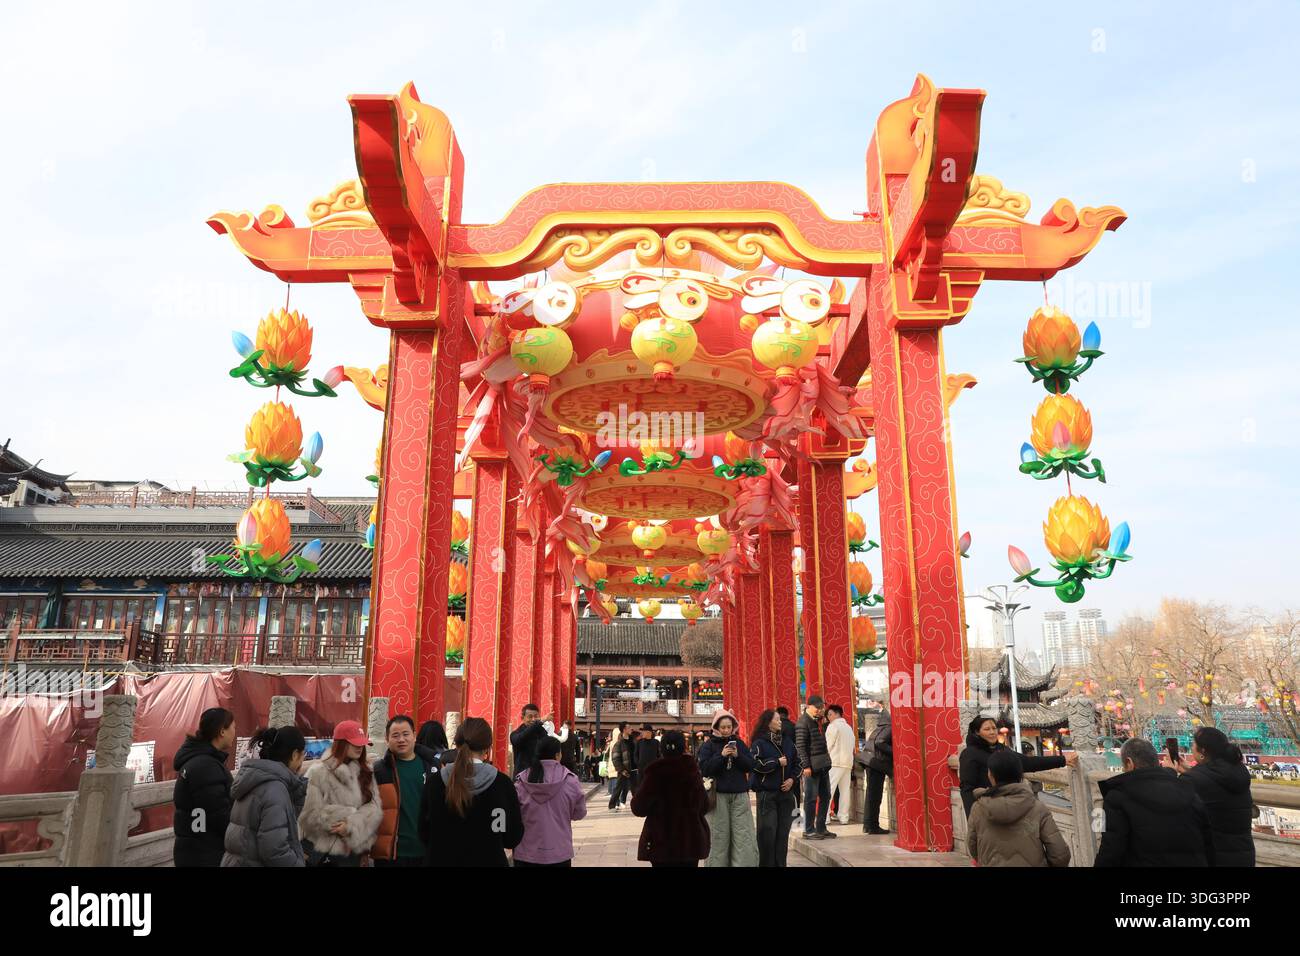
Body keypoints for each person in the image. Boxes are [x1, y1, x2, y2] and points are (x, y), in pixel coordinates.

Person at [420, 716, 524, 867]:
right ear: (487, 748)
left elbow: (424, 833)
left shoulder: (434, 783)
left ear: (456, 744)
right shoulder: (502, 784)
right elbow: (512, 838)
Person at [1095, 737, 1215, 867]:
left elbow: (1111, 850)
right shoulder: (1187, 789)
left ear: (1129, 763)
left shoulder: (1118, 797)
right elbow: (1207, 842)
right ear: (1156, 761)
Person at [298, 719, 383, 866]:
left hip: (353, 852)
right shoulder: (318, 772)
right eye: (354, 743)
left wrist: (350, 826)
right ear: (341, 743)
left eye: (361, 743)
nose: (360, 747)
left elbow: (374, 810)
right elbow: (308, 813)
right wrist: (340, 820)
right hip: (320, 852)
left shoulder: (366, 773)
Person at [1166, 727, 1254, 866]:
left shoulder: (1193, 780)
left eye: (1193, 744)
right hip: (1244, 855)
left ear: (1203, 751)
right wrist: (1192, 771)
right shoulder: (1238, 771)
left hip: (1212, 857)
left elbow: (1171, 806)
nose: (1191, 747)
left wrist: (1169, 772)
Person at [967, 749, 1071, 867]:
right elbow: (1060, 853)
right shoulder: (1037, 807)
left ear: (990, 775)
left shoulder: (978, 809)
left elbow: (973, 847)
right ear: (1020, 774)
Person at [221, 726, 308, 867]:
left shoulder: (256, 779)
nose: (303, 760)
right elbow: (275, 850)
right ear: (294, 754)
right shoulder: (274, 789)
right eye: (303, 754)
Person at [958, 716, 1076, 818]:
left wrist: (1063, 760)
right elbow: (967, 788)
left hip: (1010, 806)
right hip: (985, 809)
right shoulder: (969, 754)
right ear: (977, 732)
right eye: (987, 729)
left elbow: (1028, 763)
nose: (992, 732)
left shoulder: (1002, 749)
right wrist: (972, 817)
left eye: (994, 728)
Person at [632, 730, 710, 867]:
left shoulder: (654, 773)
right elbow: (704, 805)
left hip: (660, 841)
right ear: (683, 747)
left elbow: (638, 808)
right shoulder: (691, 771)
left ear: (661, 748)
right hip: (689, 840)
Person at [372, 714, 439, 867]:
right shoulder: (379, 771)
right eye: (395, 735)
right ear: (387, 739)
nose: (401, 739)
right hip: (391, 854)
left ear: (414, 736)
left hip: (426, 851)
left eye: (406, 734)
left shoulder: (432, 766)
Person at [171, 707, 236, 867]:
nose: (234, 732)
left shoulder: (201, 761)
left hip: (197, 850)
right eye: (233, 727)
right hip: (205, 854)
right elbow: (219, 815)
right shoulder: (205, 766)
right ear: (222, 731)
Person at [697, 710, 758, 867]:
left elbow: (751, 766)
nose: (726, 730)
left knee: (743, 836)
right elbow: (705, 768)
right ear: (716, 727)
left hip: (739, 796)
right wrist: (721, 756)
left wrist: (738, 756)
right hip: (718, 797)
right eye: (722, 727)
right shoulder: (708, 746)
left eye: (729, 727)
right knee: (718, 836)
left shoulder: (740, 744)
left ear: (733, 727)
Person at [514, 736, 587, 867]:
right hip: (559, 852)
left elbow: (514, 814)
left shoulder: (521, 781)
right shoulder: (571, 780)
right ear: (558, 755)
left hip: (526, 853)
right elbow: (579, 813)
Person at [751, 708, 799, 867]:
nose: (780, 722)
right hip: (767, 794)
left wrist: (792, 779)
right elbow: (754, 765)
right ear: (768, 722)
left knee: (782, 834)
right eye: (777, 719)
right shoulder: (759, 743)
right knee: (767, 834)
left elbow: (798, 764)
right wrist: (776, 762)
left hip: (786, 795)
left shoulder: (788, 742)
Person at [795, 695, 836, 840]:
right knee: (811, 798)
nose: (820, 710)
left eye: (821, 707)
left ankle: (821, 827)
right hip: (811, 767)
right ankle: (809, 829)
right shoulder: (803, 723)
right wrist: (806, 765)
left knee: (826, 796)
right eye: (817, 707)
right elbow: (800, 747)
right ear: (808, 706)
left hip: (822, 765)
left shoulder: (817, 722)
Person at [859, 709, 893, 835]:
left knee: (871, 796)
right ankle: (872, 826)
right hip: (877, 764)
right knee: (875, 797)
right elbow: (880, 742)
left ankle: (868, 825)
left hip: (870, 762)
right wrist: (895, 752)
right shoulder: (889, 727)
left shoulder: (880, 727)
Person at [824, 704, 855, 825]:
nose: (829, 717)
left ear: (837, 714)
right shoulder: (848, 727)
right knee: (845, 791)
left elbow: (828, 746)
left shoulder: (833, 726)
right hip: (847, 763)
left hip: (835, 762)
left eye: (830, 714)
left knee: (828, 790)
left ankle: (825, 817)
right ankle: (844, 817)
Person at [509, 703, 550, 781]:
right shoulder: (515, 734)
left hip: (539, 778)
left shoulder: (542, 732)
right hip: (521, 778)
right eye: (530, 716)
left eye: (536, 716)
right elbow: (519, 739)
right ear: (522, 718)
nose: (533, 719)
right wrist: (539, 722)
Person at [634, 723, 660, 792]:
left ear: (648, 732)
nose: (642, 733)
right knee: (640, 789)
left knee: (653, 788)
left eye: (643, 731)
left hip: (653, 771)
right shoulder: (639, 742)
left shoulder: (656, 742)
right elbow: (635, 755)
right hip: (641, 770)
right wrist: (638, 763)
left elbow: (659, 755)